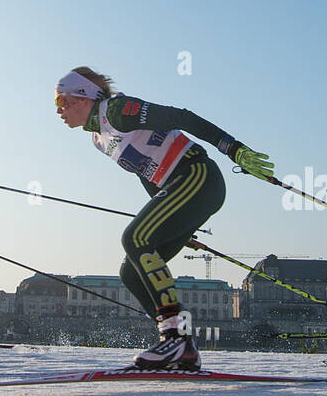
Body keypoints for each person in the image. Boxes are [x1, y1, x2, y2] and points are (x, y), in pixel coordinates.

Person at [54, 67, 273, 370]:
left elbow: (180, 117)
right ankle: (182, 347)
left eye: (61, 101)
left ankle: (175, 340)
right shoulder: (98, 138)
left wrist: (232, 148)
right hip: (177, 190)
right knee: (130, 272)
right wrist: (168, 219)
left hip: (197, 176)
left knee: (134, 238)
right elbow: (145, 171)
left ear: (83, 97)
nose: (59, 110)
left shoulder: (116, 111)